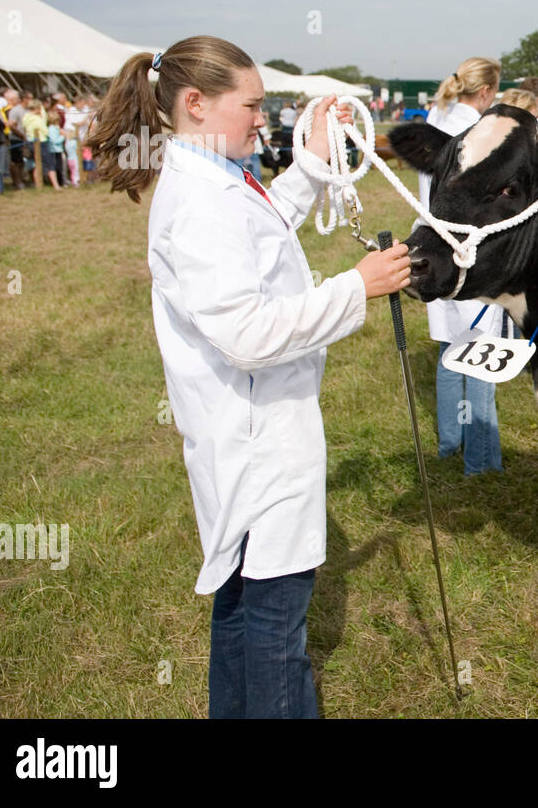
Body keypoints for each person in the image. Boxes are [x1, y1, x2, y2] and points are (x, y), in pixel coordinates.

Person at [87, 35, 412, 719]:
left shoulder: (217, 179)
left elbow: (263, 234)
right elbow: (248, 334)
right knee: (274, 626)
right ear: (198, 104)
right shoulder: (202, 201)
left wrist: (315, 161)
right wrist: (358, 287)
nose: (263, 120)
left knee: (241, 609)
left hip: (249, 432)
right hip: (257, 440)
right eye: (254, 106)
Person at [421, 56, 506, 476]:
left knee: (450, 353)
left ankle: (449, 444)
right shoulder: (479, 135)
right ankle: (481, 463)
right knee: (481, 359)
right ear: (488, 92)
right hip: (470, 257)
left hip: (432, 253)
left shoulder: (437, 125)